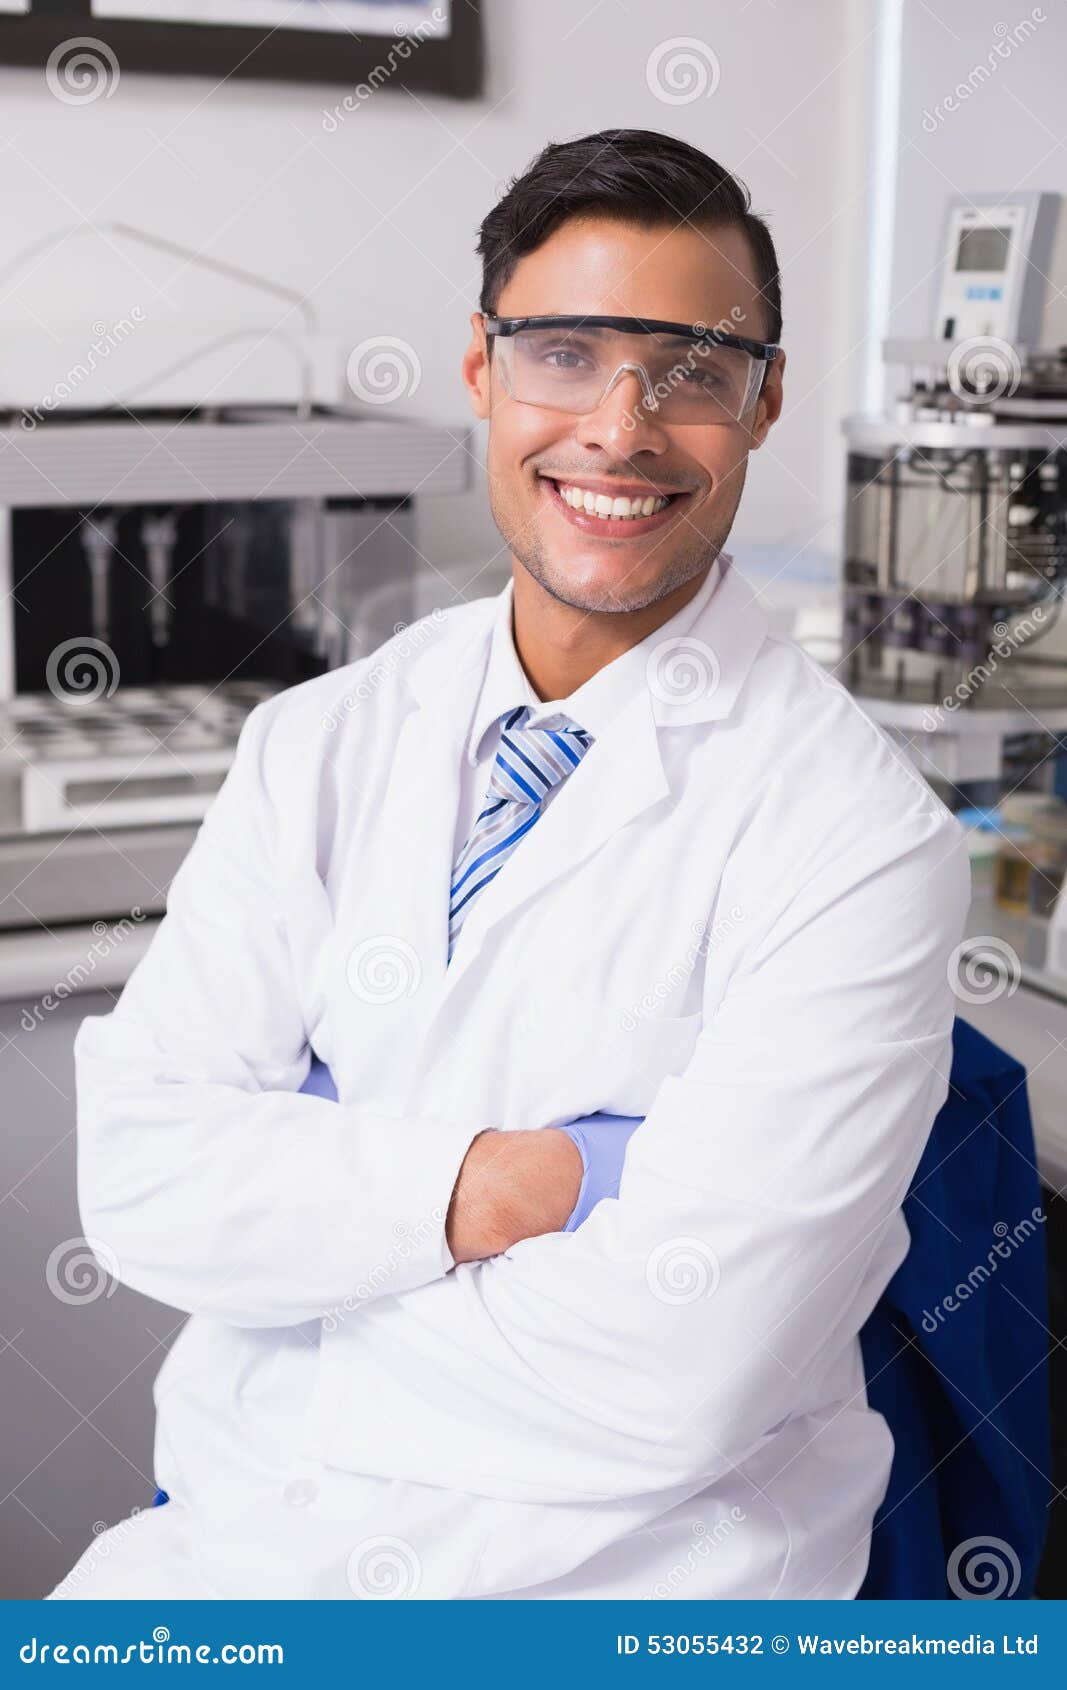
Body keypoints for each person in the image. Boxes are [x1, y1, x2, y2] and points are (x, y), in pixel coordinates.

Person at [57, 128, 970, 1600]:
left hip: (631, 1597)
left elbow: (673, 1371)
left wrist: (292, 1267)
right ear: (480, 370)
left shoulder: (858, 844)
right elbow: (143, 1177)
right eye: (563, 352)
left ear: (765, 399)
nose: (620, 428)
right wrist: (503, 1183)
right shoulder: (319, 745)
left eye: (692, 369)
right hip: (218, 1564)